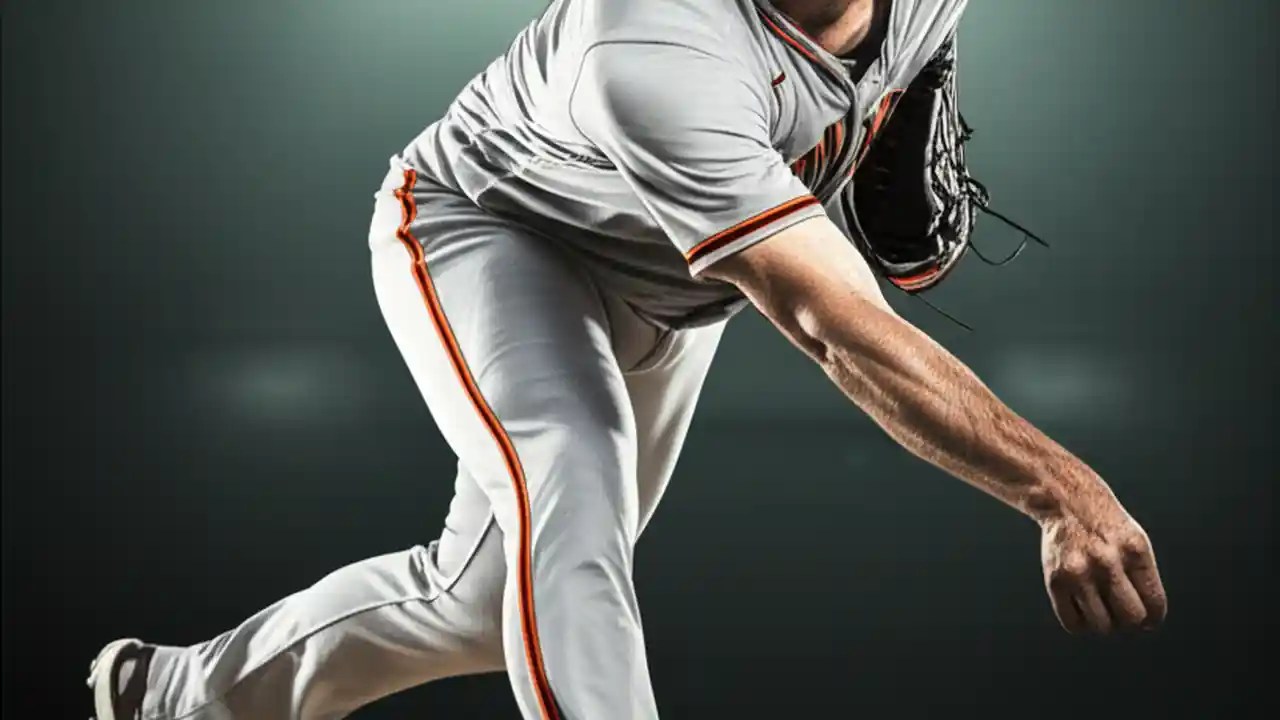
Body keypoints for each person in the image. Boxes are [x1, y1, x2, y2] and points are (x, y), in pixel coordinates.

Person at [88, 1, 1167, 718]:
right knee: (571, 482)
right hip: (490, 229)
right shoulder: (648, 41)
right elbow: (832, 324)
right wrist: (1057, 490)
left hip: (672, 288)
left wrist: (908, 73)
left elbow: (910, 53)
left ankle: (184, 696)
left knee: (478, 604)